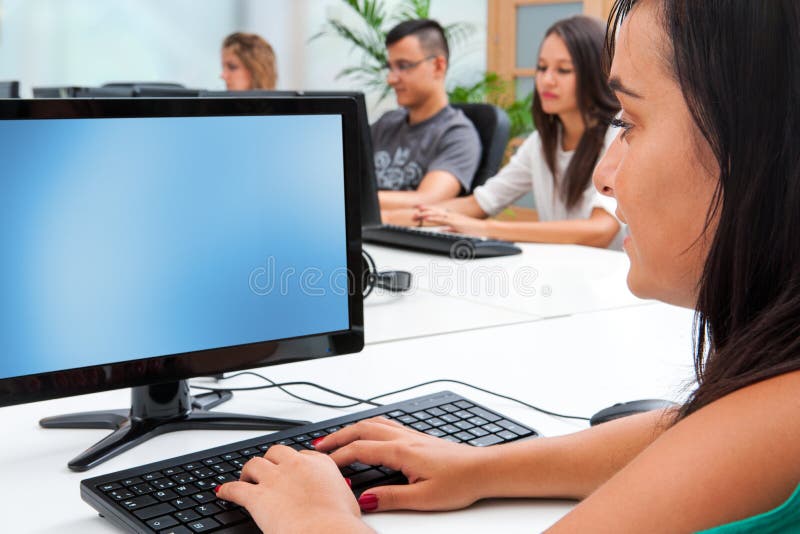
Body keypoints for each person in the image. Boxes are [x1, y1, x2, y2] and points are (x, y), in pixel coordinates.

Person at [216, 1, 800, 532]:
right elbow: (691, 431)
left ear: (755, 143)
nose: (606, 173)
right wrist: (481, 467)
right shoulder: (765, 400)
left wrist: (316, 518)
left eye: (627, 120)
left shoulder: (781, 415)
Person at [413, 15, 623, 249]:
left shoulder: (620, 136)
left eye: (563, 70)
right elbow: (480, 203)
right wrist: (396, 217)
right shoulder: (541, 143)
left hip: (610, 278)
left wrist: (487, 229)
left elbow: (600, 229)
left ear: (596, 74)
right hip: (564, 272)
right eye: (542, 68)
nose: (546, 80)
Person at [372, 19, 481, 214]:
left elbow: (428, 200)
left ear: (438, 66)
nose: (391, 79)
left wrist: (349, 197)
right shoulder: (385, 124)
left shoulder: (457, 134)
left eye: (403, 66)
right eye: (390, 68)